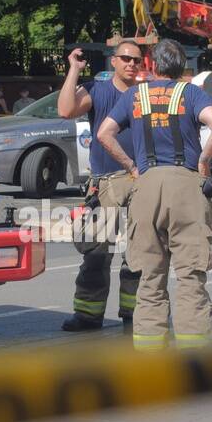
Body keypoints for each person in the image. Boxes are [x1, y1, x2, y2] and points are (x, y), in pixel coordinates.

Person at [97, 39, 212, 350]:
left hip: (146, 187)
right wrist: (204, 160)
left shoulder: (133, 95)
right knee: (190, 274)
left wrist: (130, 165)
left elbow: (104, 133)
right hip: (187, 185)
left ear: (151, 65)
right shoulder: (192, 93)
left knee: (150, 276)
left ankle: (149, 351)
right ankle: (193, 351)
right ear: (181, 66)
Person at [57, 40, 146, 332]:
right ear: (114, 61)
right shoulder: (98, 89)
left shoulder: (145, 94)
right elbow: (66, 110)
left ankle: (133, 314)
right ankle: (87, 315)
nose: (131, 64)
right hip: (105, 184)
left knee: (138, 253)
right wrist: (74, 70)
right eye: (125, 58)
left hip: (141, 182)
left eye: (136, 60)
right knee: (96, 253)